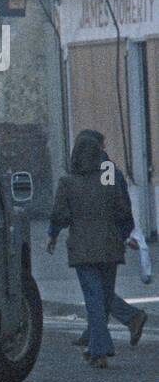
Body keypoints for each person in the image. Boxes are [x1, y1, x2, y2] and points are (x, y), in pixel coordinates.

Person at [49, 131, 134, 368]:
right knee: (104, 298)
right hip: (110, 246)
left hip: (82, 250)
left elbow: (60, 216)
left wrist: (52, 236)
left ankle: (99, 350)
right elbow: (122, 209)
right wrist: (126, 234)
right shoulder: (107, 177)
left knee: (94, 299)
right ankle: (97, 348)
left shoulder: (68, 182)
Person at [69, 130, 148, 349]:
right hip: (108, 238)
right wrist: (126, 233)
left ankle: (129, 318)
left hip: (94, 240)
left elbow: (110, 204)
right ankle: (95, 334)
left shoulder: (92, 172)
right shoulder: (106, 171)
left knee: (97, 291)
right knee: (98, 289)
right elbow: (120, 206)